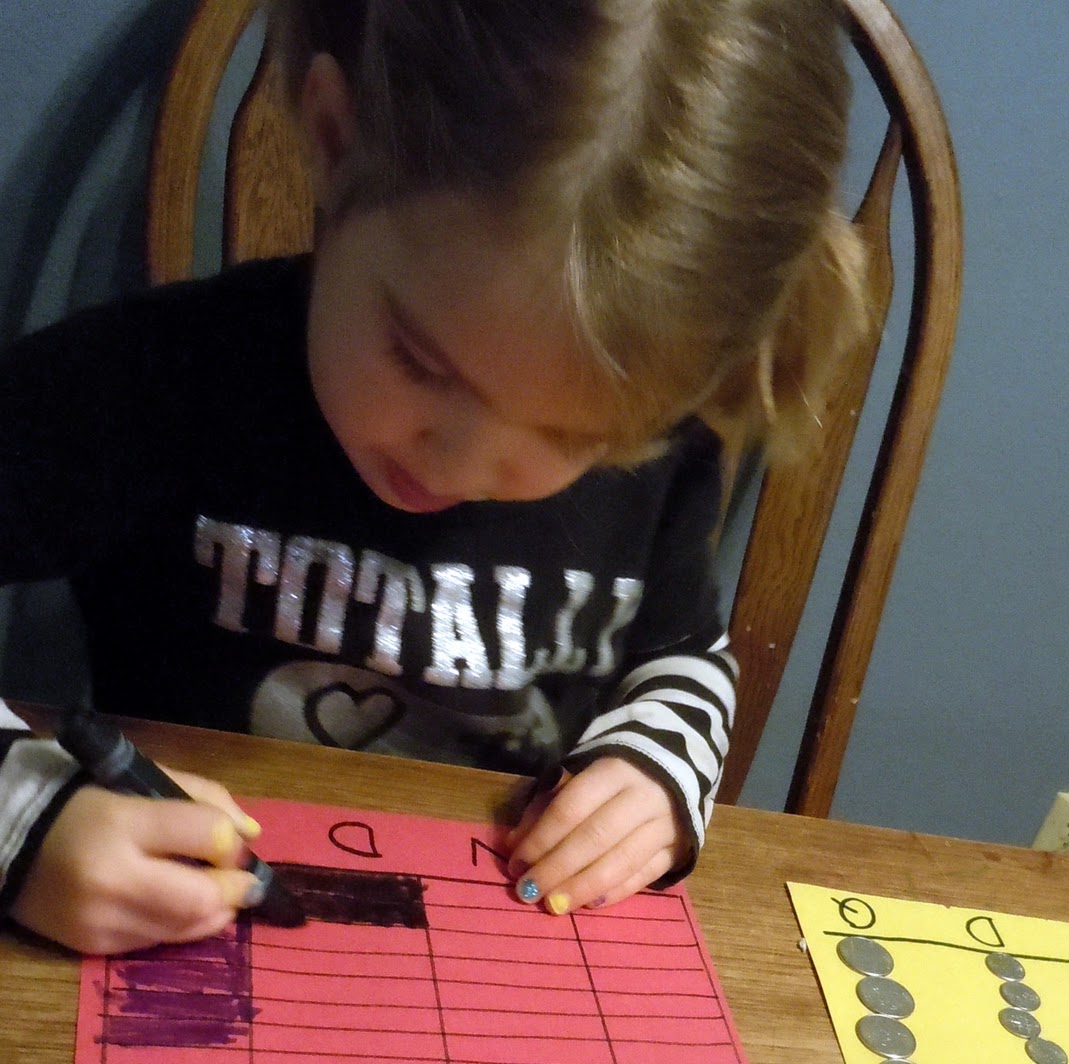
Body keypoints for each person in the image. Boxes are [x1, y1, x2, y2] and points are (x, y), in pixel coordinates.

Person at [0, 0, 866, 955]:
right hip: (173, 945)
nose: (455, 464)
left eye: (574, 435)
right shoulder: (158, 383)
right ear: (334, 144)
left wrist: (657, 773)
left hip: (501, 956)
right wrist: (22, 815)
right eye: (421, 361)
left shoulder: (666, 442)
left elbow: (681, 654)